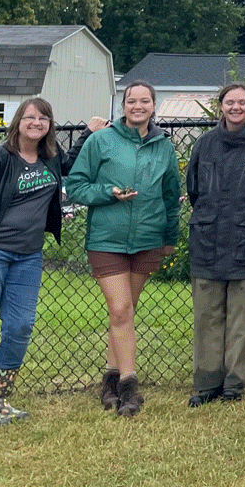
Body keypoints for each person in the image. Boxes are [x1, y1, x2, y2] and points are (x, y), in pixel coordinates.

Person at [0, 99, 104, 425]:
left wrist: (88, 134)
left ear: (49, 124)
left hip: (29, 257)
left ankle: (0, 399)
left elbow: (70, 165)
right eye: (30, 117)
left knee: (20, 326)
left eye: (43, 118)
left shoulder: (49, 158)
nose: (36, 122)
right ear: (18, 121)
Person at [66, 81, 180, 418]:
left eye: (145, 101)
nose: (138, 106)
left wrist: (169, 238)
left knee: (125, 312)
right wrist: (108, 192)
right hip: (107, 239)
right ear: (124, 104)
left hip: (147, 238)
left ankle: (110, 380)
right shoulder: (101, 140)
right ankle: (130, 386)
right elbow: (75, 185)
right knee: (120, 310)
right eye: (132, 100)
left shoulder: (163, 147)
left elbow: (171, 197)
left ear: (153, 106)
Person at [184, 82, 245, 406]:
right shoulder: (205, 144)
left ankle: (234, 385)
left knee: (242, 321)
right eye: (229, 102)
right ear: (220, 106)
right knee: (207, 318)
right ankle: (207, 384)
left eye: (242, 102)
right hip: (207, 241)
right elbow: (194, 189)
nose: (235, 107)